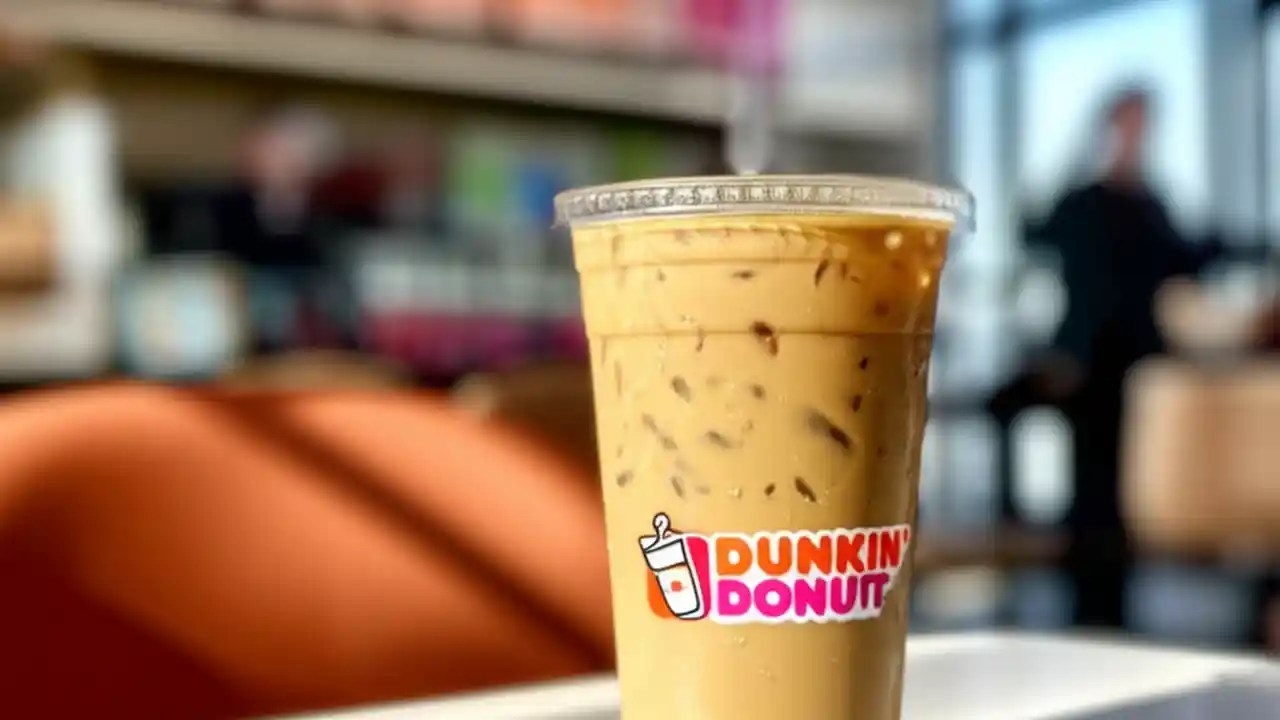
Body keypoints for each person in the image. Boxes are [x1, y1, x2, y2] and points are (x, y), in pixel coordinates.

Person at [1019, 88, 1222, 628]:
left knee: (1125, 496)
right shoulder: (1083, 199)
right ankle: (1087, 613)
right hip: (1086, 371)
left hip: (1137, 373)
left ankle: (1114, 614)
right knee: (1090, 494)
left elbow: (1193, 260)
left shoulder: (1153, 204)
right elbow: (1033, 234)